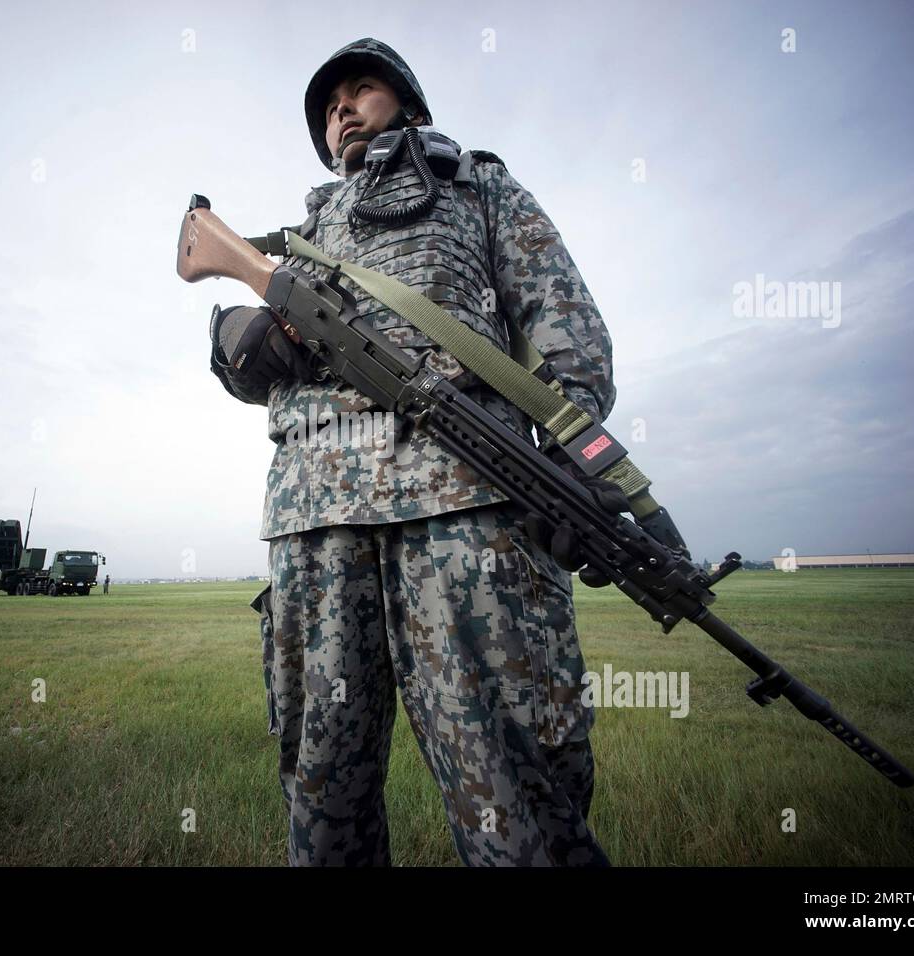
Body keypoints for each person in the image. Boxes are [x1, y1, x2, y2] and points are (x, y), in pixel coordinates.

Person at [210, 38, 617, 866]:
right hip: (314, 520)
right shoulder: (303, 233)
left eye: (361, 92)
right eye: (329, 108)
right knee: (320, 787)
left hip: (468, 509)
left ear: (411, 105)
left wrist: (574, 470)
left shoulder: (479, 186)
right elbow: (243, 359)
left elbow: (564, 328)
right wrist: (231, 337)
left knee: (515, 788)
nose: (342, 111)